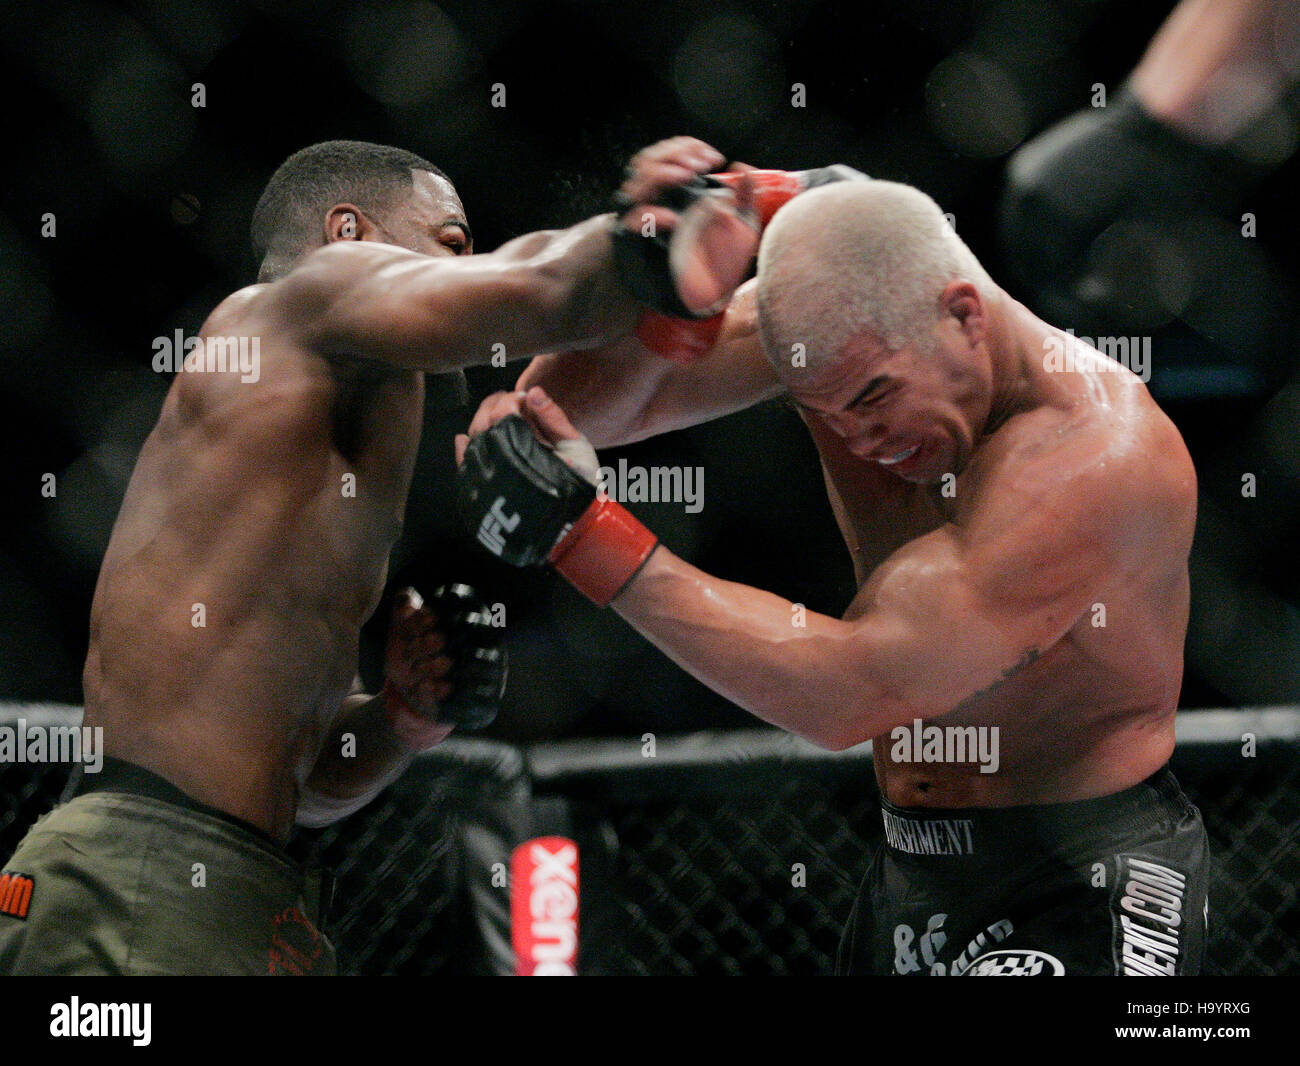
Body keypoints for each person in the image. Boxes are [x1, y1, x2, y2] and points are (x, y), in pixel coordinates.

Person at [0, 135, 745, 975]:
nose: (466, 270)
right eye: (452, 245)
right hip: (140, 877)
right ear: (350, 233)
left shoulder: (328, 450)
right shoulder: (299, 300)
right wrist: (647, 231)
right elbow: (538, 286)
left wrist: (400, 716)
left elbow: (303, 793)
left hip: (236, 882)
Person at [457, 176, 1210, 976]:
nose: (860, 440)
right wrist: (666, 287)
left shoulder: (1096, 458)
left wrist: (588, 537)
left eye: (875, 397)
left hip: (1079, 868)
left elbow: (854, 690)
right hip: (909, 868)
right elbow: (566, 412)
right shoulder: (837, 338)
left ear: (963, 314)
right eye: (826, 410)